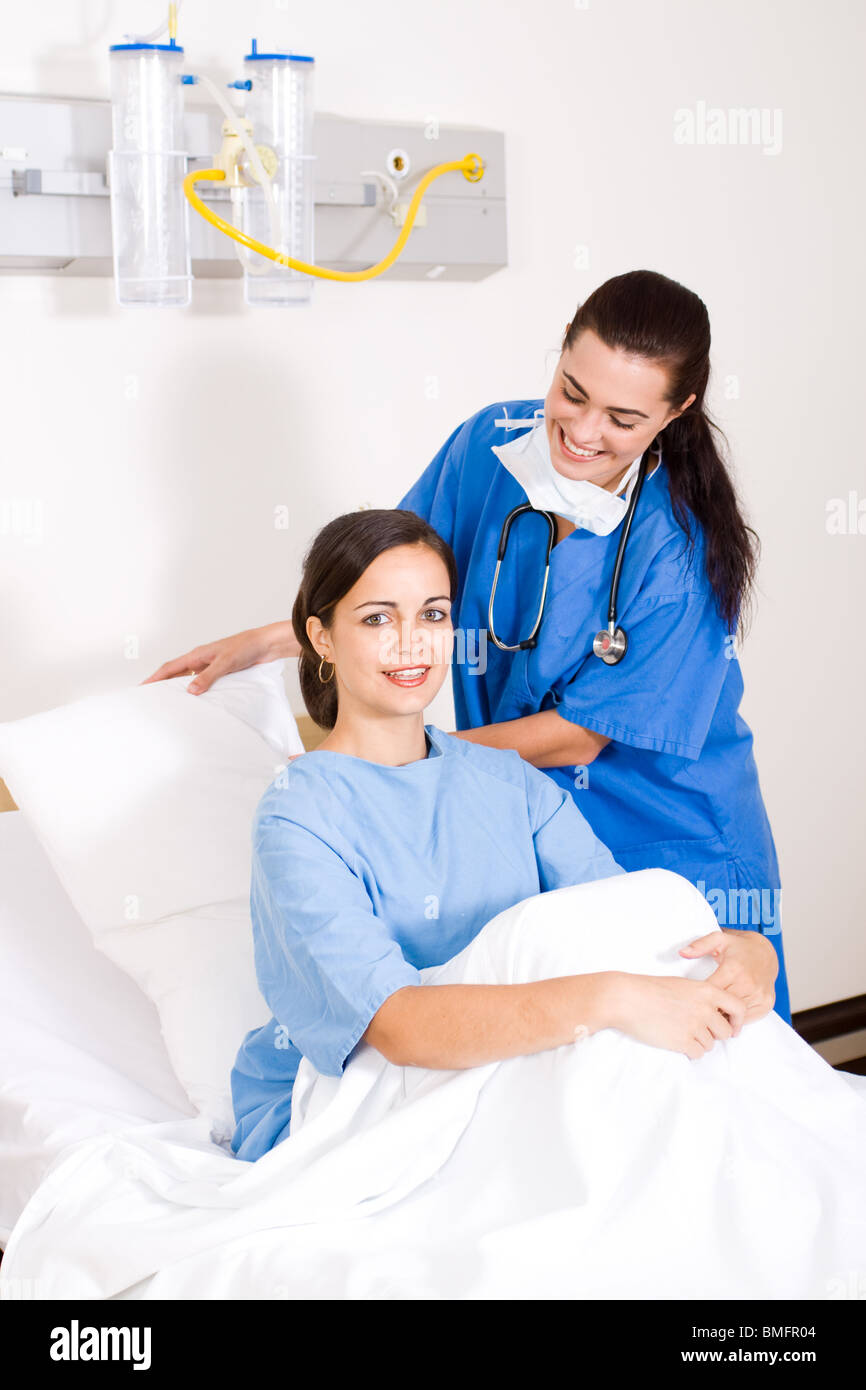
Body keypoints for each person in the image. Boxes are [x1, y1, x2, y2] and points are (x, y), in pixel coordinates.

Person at [143, 268, 792, 1023]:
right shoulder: (489, 446)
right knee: (564, 1026)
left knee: (709, 1043)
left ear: (677, 411)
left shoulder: (680, 551)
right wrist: (275, 639)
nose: (582, 433)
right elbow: (391, 576)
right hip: (527, 807)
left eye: (621, 417)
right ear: (557, 359)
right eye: (572, 393)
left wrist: (407, 764)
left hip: (672, 830)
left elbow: (580, 736)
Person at [230, 508, 775, 1163]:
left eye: (432, 615)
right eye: (378, 618)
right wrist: (613, 998)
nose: (412, 643)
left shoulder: (506, 781)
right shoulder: (300, 810)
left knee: (690, 1071)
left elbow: (627, 923)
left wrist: (748, 956)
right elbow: (398, 1027)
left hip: (514, 1054)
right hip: (355, 1094)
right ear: (321, 638)